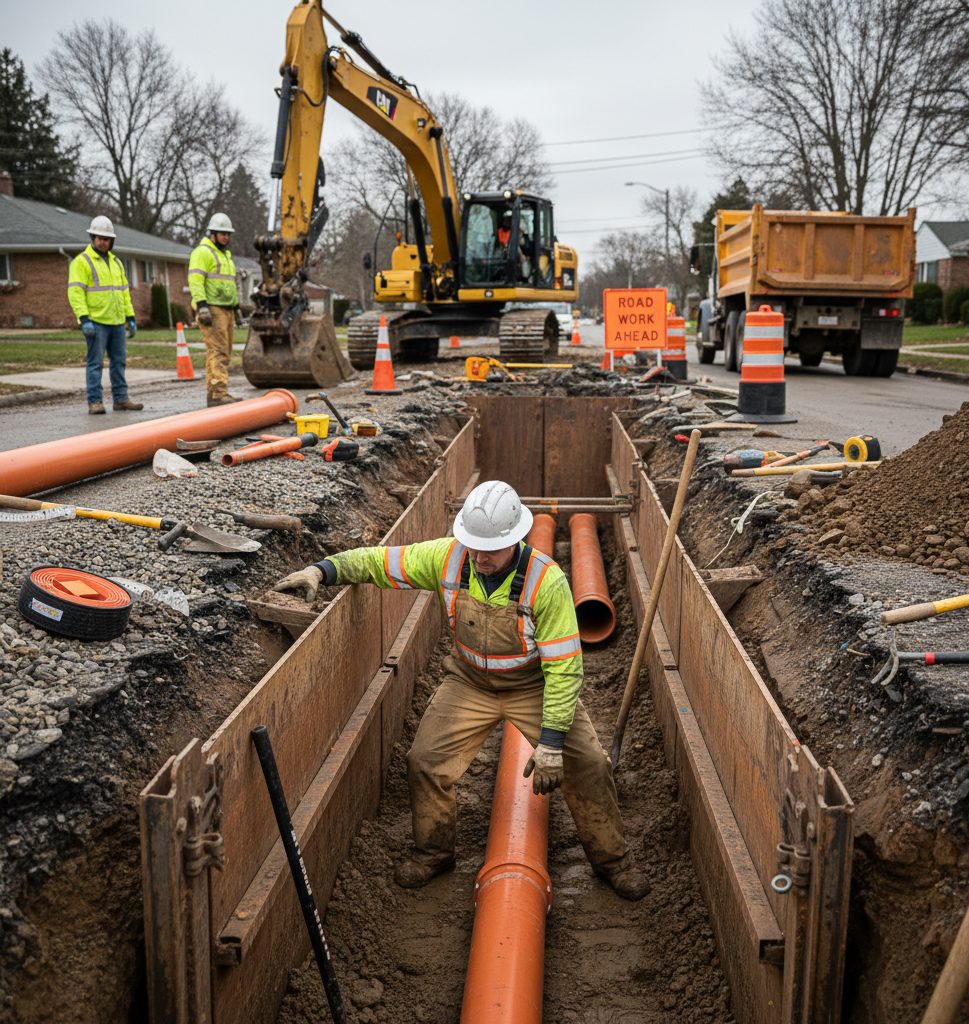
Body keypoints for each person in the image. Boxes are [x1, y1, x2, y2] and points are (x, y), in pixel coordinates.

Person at [272, 480, 651, 900]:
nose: (480, 557)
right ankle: (434, 853)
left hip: (534, 686)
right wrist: (320, 570)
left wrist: (551, 743)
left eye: (491, 549)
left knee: (590, 765)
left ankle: (614, 862)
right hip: (470, 683)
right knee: (425, 761)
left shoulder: (547, 581)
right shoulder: (448, 558)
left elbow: (564, 668)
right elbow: (380, 562)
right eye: (474, 546)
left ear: (516, 540)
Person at [66, 216, 142, 415]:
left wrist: (130, 317)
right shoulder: (81, 262)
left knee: (119, 362)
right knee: (95, 364)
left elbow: (124, 293)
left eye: (106, 239)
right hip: (96, 322)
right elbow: (75, 293)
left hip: (117, 322)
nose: (102, 242)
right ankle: (95, 401)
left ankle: (121, 399)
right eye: (99, 238)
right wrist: (84, 319)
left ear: (111, 241)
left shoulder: (117, 263)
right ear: (92, 238)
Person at [188, 212, 241, 406]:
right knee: (219, 350)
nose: (226, 237)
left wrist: (236, 308)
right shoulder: (203, 252)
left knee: (222, 350)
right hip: (212, 308)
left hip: (226, 309)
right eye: (222, 234)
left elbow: (229, 285)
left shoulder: (225, 256)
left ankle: (214, 393)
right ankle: (219, 392)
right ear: (212, 234)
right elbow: (195, 280)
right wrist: (202, 306)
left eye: (228, 234)